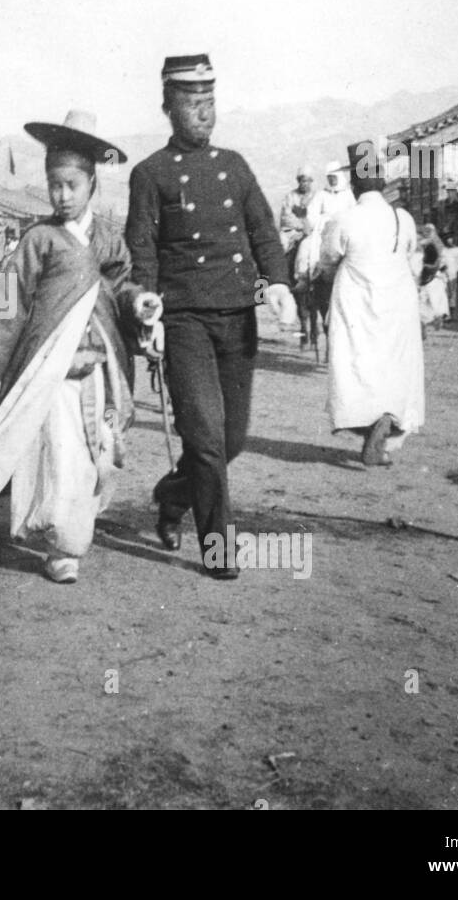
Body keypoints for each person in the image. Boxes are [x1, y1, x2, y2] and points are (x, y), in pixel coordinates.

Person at [0, 110, 155, 585]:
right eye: (54, 185)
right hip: (50, 370)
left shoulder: (106, 238)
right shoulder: (38, 239)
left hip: (99, 366)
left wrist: (138, 303)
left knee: (92, 453)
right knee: (58, 453)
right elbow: (8, 300)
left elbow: (121, 285)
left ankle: (73, 529)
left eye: (72, 185)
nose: (62, 195)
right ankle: (61, 547)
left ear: (91, 185)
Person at [125, 54, 294, 579]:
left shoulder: (236, 166)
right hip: (185, 321)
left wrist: (278, 284)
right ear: (168, 108)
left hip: (237, 317)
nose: (204, 113)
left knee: (232, 438)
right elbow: (143, 249)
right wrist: (147, 311)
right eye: (193, 104)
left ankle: (172, 496)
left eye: (210, 102)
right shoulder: (150, 173)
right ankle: (219, 549)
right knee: (204, 436)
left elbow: (264, 232)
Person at [318, 161, 423, 466]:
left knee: (356, 362)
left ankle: (367, 423)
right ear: (383, 185)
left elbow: (327, 259)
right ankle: (388, 419)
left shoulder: (344, 218)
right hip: (398, 301)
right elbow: (409, 251)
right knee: (394, 362)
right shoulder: (402, 218)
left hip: (355, 299)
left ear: (354, 186)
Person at [279, 164, 315, 346]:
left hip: (312, 232)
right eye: (303, 180)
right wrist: (301, 225)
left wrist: (310, 225)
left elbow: (319, 216)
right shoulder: (290, 196)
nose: (305, 184)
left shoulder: (316, 197)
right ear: (298, 181)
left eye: (308, 181)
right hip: (293, 232)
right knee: (281, 247)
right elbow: (286, 217)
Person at [417, 224, 450, 335]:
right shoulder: (425, 243)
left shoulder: (435, 244)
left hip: (431, 276)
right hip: (428, 277)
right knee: (426, 301)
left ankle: (430, 320)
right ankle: (425, 322)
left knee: (430, 301)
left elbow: (442, 262)